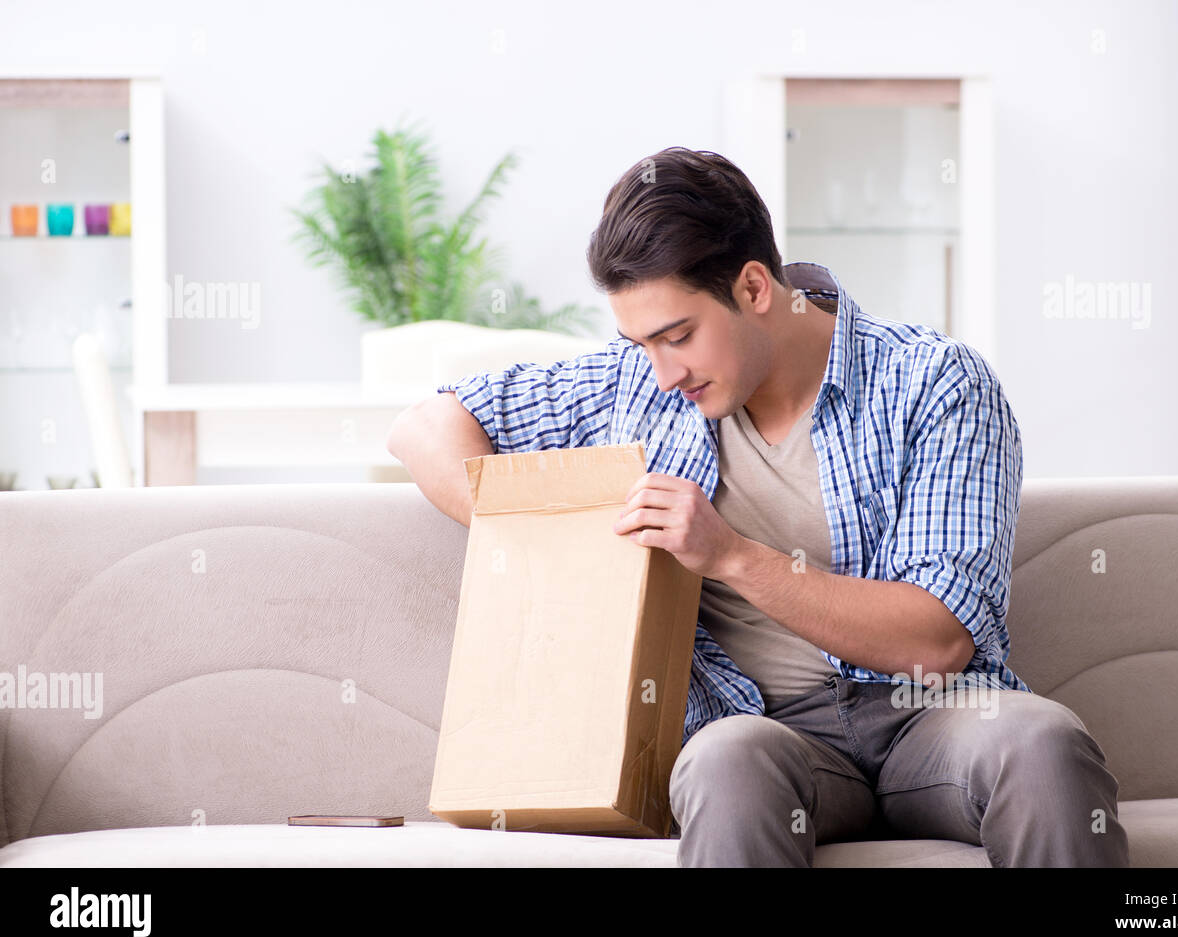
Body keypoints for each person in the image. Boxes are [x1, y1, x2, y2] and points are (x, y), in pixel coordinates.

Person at [388, 146, 1129, 868]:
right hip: (765, 731)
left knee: (1041, 747)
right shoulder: (632, 382)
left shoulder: (933, 383)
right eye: (640, 342)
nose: (663, 370)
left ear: (752, 288)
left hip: (930, 717)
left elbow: (936, 641)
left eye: (678, 336)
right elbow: (425, 427)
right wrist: (561, 529)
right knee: (726, 762)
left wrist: (731, 554)